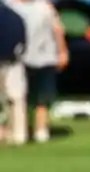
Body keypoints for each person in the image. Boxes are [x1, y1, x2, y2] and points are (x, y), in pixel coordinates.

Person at [10, 0, 65, 144]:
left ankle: (40, 131)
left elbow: (57, 30)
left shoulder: (44, 7)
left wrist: (62, 51)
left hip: (44, 58)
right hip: (19, 60)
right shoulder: (9, 6)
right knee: (20, 98)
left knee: (42, 98)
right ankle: (23, 130)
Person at [0, 0, 27, 145]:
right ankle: (19, 134)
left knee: (2, 100)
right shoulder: (15, 16)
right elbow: (22, 42)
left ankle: (2, 132)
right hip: (13, 62)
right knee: (16, 99)